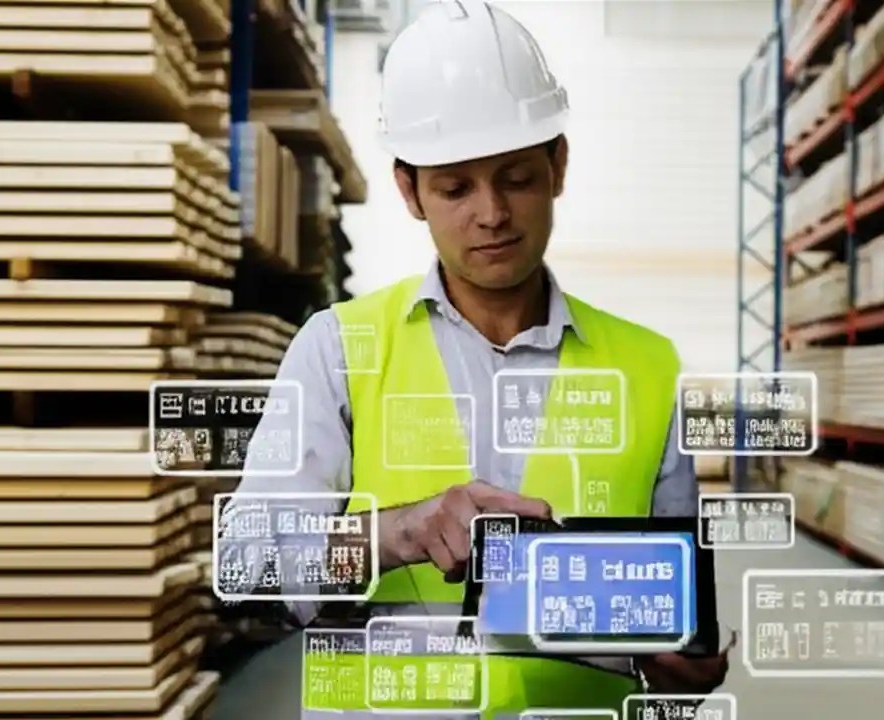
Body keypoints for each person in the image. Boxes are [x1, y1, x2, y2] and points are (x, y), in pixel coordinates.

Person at [231, 0, 730, 715]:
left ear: (558, 165)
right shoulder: (338, 350)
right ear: (409, 191)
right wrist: (401, 532)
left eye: (516, 177)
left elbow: (672, 616)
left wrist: (683, 662)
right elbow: (249, 566)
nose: (491, 214)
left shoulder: (646, 368)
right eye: (456, 187)